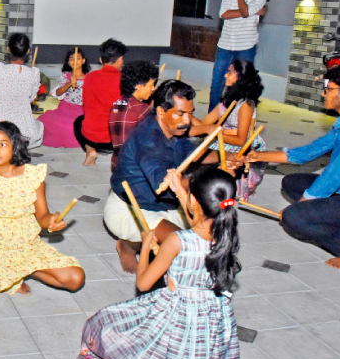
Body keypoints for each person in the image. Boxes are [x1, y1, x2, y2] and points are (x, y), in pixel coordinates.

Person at [77, 168, 250, 359]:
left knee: (103, 324)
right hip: (213, 313)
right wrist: (180, 191)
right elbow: (199, 224)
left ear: (195, 202)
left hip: (179, 310)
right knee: (197, 354)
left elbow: (143, 284)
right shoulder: (226, 232)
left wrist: (146, 246)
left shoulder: (176, 241)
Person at [0, 121, 84, 314]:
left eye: (3, 144)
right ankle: (10, 277)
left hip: (27, 245)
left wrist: (53, 221)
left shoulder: (33, 175)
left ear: (15, 145)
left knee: (75, 279)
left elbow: (42, 217)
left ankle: (23, 271)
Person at [245, 63, 340, 270]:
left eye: (329, 89)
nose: (323, 93)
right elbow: (308, 152)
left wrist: (302, 204)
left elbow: (334, 176)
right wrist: (257, 156)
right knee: (291, 182)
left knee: (295, 217)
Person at [106, 80, 213, 273]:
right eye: (181, 114)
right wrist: (206, 181)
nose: (187, 120)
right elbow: (165, 183)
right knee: (185, 245)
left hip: (164, 206)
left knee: (207, 232)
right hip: (130, 208)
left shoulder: (174, 130)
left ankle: (133, 243)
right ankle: (129, 244)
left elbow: (195, 155)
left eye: (190, 113)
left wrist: (229, 158)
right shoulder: (147, 139)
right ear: (162, 112)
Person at [191, 59, 266, 200]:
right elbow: (203, 125)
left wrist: (213, 131)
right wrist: (186, 114)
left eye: (230, 72)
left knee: (202, 161)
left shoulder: (245, 105)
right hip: (222, 140)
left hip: (240, 148)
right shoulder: (227, 101)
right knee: (194, 155)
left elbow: (240, 140)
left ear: (240, 78)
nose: (226, 76)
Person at [210, 0, 268, 111]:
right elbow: (224, 14)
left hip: (246, 46)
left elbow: (244, 11)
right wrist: (251, 11)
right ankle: (211, 126)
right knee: (217, 85)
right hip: (225, 44)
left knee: (242, 87)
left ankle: (235, 123)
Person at [75, 38, 127, 166]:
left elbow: (86, 106)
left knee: (78, 121)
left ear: (100, 59)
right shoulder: (124, 80)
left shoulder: (89, 77)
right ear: (120, 59)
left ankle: (90, 149)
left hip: (90, 137)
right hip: (114, 142)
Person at [109, 60, 159, 170]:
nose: (153, 89)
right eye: (152, 85)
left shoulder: (116, 104)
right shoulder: (142, 110)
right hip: (134, 169)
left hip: (116, 165)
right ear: (139, 87)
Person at [39, 48, 90, 148]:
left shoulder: (90, 78)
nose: (75, 61)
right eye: (72, 59)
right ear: (68, 61)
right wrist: (69, 83)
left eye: (78, 58)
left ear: (83, 61)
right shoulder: (65, 76)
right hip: (65, 109)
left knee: (74, 128)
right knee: (45, 120)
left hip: (81, 111)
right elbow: (57, 94)